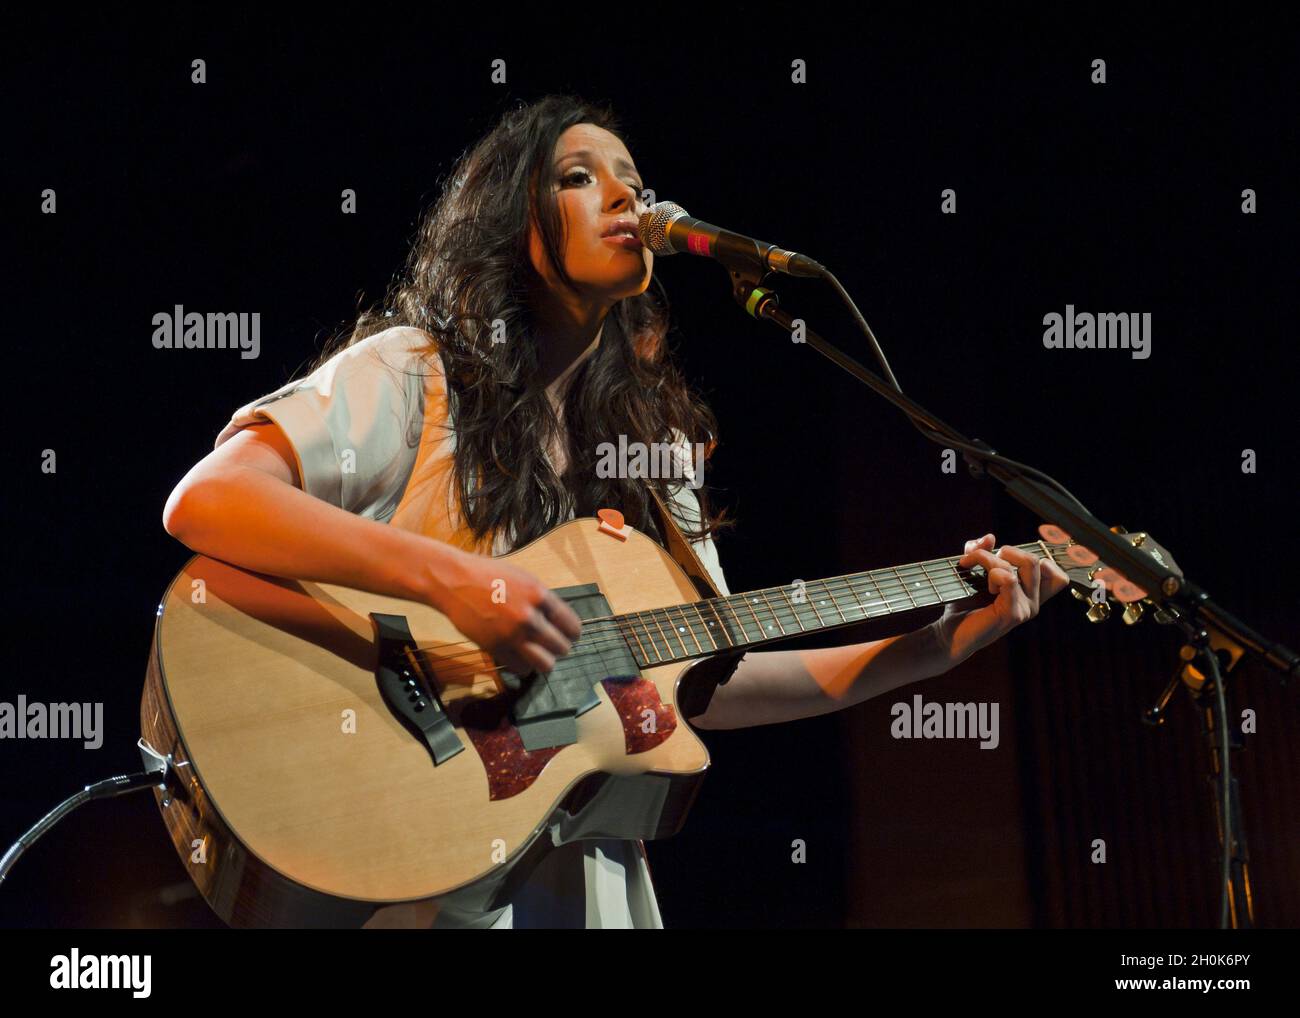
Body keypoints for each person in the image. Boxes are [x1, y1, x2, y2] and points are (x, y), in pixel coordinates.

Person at [162, 94, 1071, 929]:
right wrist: (464, 584)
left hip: (590, 888)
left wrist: (937, 644)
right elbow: (209, 499)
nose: (626, 199)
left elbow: (703, 685)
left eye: (636, 184)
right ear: (512, 218)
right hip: (414, 872)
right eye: (579, 177)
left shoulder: (657, 441)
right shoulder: (413, 373)